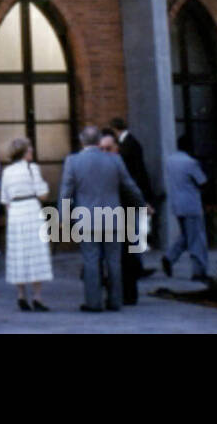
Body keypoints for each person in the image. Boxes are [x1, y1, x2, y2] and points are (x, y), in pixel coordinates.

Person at [60, 125, 145, 312]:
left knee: (91, 260)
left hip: (87, 218)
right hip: (113, 217)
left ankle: (94, 302)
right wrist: (142, 204)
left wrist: (64, 218)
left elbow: (66, 192)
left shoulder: (73, 161)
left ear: (82, 141)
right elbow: (130, 186)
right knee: (114, 260)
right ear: (99, 142)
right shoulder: (114, 160)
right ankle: (115, 300)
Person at [0, 137, 52, 311]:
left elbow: (4, 198)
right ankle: (37, 296)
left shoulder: (7, 171)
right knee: (36, 253)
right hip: (31, 209)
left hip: (15, 211)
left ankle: (21, 294)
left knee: (18, 252)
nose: (32, 152)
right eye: (30, 150)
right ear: (24, 152)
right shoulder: (32, 168)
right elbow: (42, 193)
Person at [110, 117, 157, 297]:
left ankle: (136, 266)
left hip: (131, 196)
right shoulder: (128, 143)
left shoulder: (129, 145)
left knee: (134, 232)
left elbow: (134, 173)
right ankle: (136, 265)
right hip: (132, 195)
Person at [161, 135, 209, 282]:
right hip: (191, 204)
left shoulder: (170, 161)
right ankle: (198, 271)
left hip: (177, 203)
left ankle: (169, 257)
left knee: (186, 236)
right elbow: (202, 181)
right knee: (196, 238)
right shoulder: (191, 163)